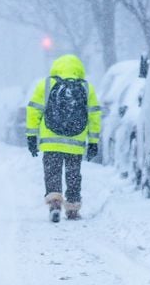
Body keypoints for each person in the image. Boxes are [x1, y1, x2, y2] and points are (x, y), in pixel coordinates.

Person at [25, 54, 101, 222]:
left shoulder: (46, 85)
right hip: (75, 142)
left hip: (51, 141)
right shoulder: (86, 88)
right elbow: (94, 115)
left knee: (52, 172)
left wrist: (31, 136)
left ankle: (54, 203)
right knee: (73, 174)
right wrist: (94, 142)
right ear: (79, 70)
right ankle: (73, 208)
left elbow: (33, 110)